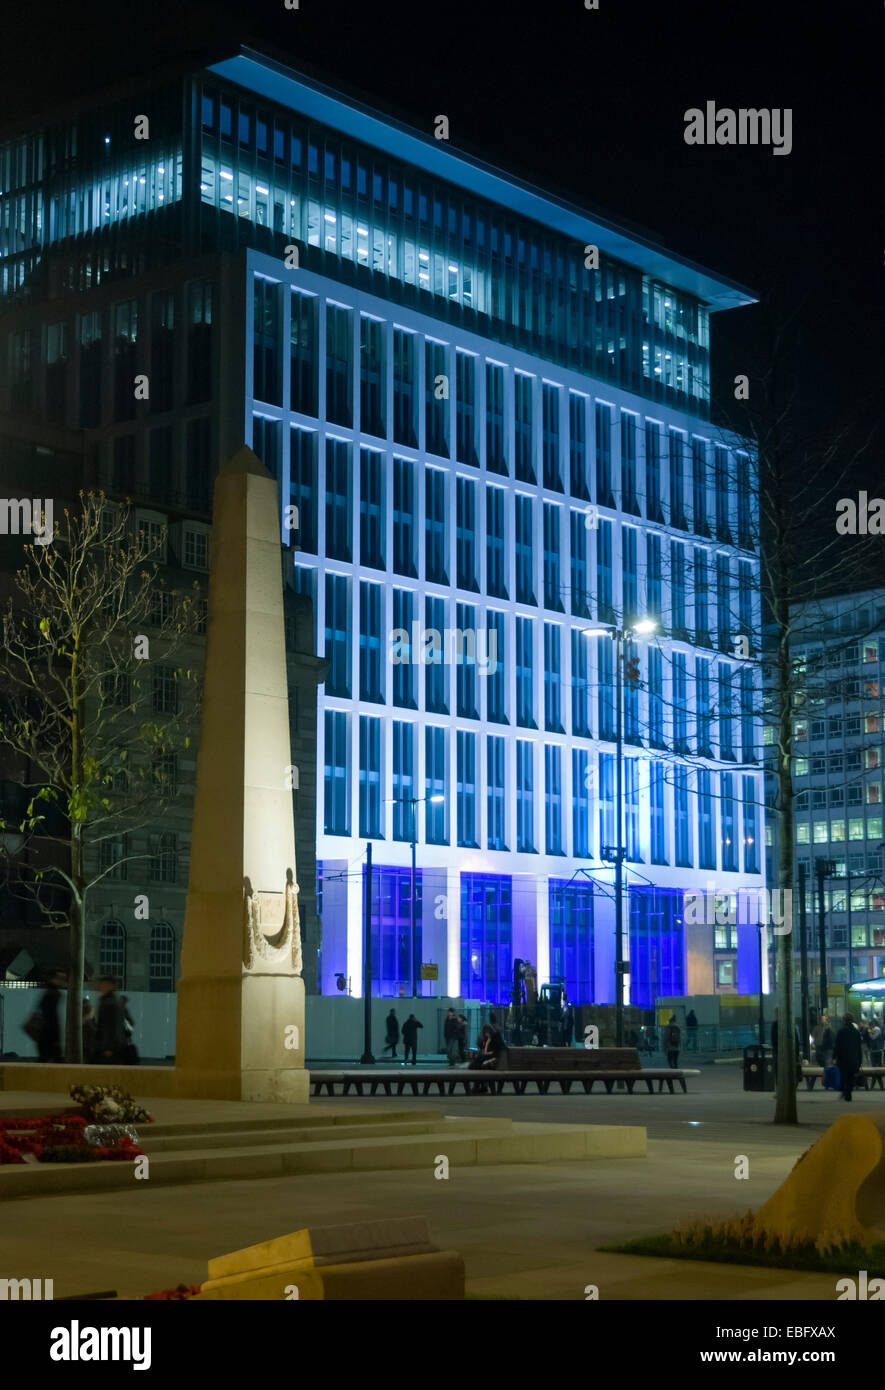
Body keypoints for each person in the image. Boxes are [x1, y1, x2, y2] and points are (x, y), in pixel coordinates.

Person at [94, 976, 128, 1064]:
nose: (100, 986)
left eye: (103, 984)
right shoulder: (111, 1001)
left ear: (110, 986)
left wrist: (108, 1048)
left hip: (108, 1048)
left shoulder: (110, 1002)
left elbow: (110, 1026)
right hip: (111, 1046)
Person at [35, 971, 66, 1063]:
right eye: (60, 979)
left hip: (45, 1034)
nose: (63, 981)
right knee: (56, 1061)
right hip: (50, 1034)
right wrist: (57, 1037)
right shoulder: (53, 994)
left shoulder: (48, 992)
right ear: (53, 979)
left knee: (45, 1059)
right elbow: (52, 1017)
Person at [834, 1013, 864, 1101]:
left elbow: (837, 1046)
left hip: (843, 1059)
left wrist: (834, 1056)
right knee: (851, 1076)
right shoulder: (856, 1032)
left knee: (844, 1076)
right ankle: (849, 1093)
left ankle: (846, 1092)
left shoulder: (841, 1031)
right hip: (853, 1059)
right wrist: (860, 1059)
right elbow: (859, 1047)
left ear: (844, 1021)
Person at [82, 999, 98, 1063]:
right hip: (89, 1045)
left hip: (85, 1044)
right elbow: (93, 1031)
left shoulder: (84, 1019)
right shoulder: (88, 1020)